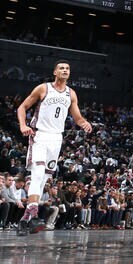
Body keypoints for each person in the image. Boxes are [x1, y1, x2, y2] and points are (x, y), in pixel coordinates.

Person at [15, 61, 93, 234]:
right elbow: (22, 107)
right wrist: (23, 125)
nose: (65, 70)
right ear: (55, 72)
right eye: (62, 68)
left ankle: (24, 221)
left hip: (56, 138)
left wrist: (84, 123)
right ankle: (34, 215)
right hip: (39, 135)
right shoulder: (43, 88)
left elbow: (78, 118)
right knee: (37, 173)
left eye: (67, 69)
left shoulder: (71, 94)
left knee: (43, 180)